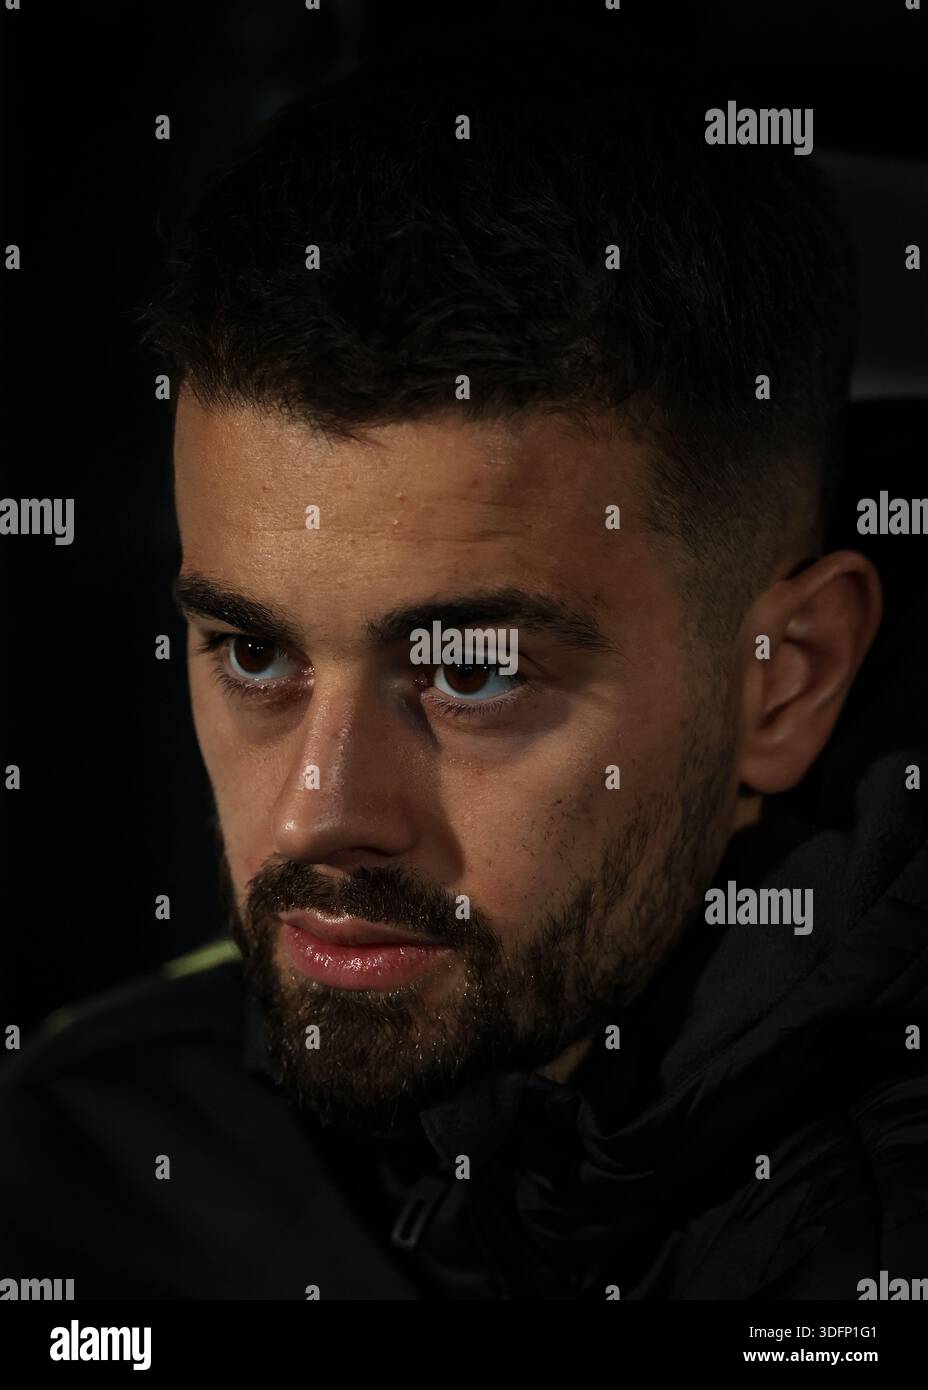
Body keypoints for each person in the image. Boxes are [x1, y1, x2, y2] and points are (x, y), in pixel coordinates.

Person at [2, 59, 926, 1301]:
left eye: (472, 673)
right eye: (255, 652)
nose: (314, 817)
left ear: (785, 680)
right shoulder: (88, 1155)